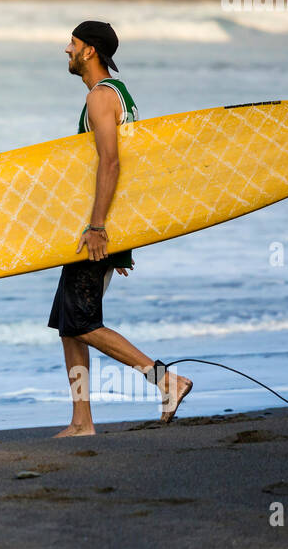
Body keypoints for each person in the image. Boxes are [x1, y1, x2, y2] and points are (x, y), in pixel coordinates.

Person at [49, 21, 192, 436]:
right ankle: (82, 421)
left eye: (72, 44)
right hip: (109, 227)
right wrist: (124, 237)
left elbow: (111, 163)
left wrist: (98, 228)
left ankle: (166, 380)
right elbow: (132, 169)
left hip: (97, 229)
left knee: (82, 322)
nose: (67, 51)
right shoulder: (121, 95)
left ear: (89, 51)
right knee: (68, 322)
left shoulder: (99, 98)